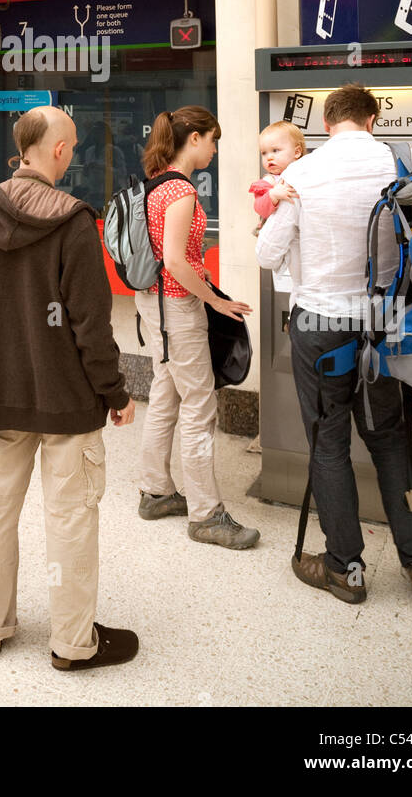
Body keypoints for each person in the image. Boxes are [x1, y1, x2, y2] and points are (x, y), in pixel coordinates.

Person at [0, 105, 139, 671]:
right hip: (67, 401)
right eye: (72, 146)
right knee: (70, 514)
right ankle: (75, 644)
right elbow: (90, 327)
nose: (73, 154)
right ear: (56, 151)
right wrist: (117, 393)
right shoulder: (75, 222)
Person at [256, 83, 412, 604]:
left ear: (327, 121)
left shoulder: (302, 172)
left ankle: (346, 568)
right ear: (372, 120)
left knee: (329, 442)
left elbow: (269, 256)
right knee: (388, 438)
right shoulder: (397, 163)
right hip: (382, 325)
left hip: (320, 327)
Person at [135, 107, 260, 549]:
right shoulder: (181, 191)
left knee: (166, 393)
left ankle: (154, 491)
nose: (214, 148)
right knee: (200, 407)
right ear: (194, 138)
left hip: (152, 305)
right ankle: (206, 515)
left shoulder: (155, 182)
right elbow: (175, 261)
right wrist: (217, 302)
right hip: (178, 308)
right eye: (212, 140)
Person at [250, 121, 306, 224]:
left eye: (275, 150)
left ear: (297, 152)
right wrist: (273, 195)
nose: (269, 157)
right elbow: (259, 208)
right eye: (264, 153)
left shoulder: (305, 173)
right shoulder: (269, 181)